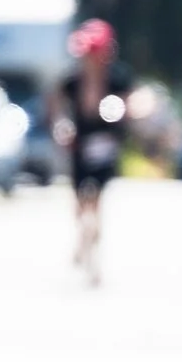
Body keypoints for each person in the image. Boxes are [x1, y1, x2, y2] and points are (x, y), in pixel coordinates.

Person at [53, 20, 131, 282]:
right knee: (79, 205)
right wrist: (61, 127)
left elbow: (129, 107)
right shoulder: (72, 81)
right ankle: (83, 242)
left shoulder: (117, 80)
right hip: (79, 149)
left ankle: (92, 259)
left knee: (95, 204)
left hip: (104, 150)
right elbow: (58, 108)